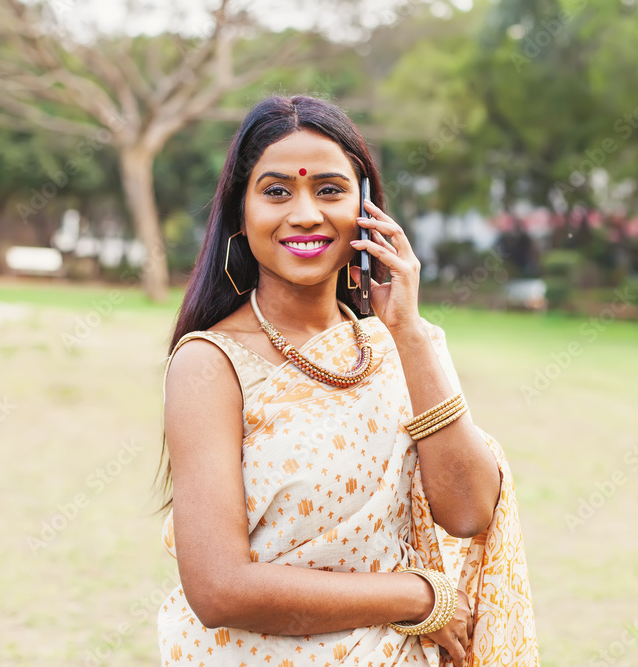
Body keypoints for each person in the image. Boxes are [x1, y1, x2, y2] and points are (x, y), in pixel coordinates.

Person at [156, 95, 538, 666]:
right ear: (242, 212)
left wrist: (407, 332)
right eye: (277, 191)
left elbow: (470, 512)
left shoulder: (403, 346)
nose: (306, 213)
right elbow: (218, 589)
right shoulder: (212, 364)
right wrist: (418, 595)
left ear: (365, 208)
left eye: (329, 189)